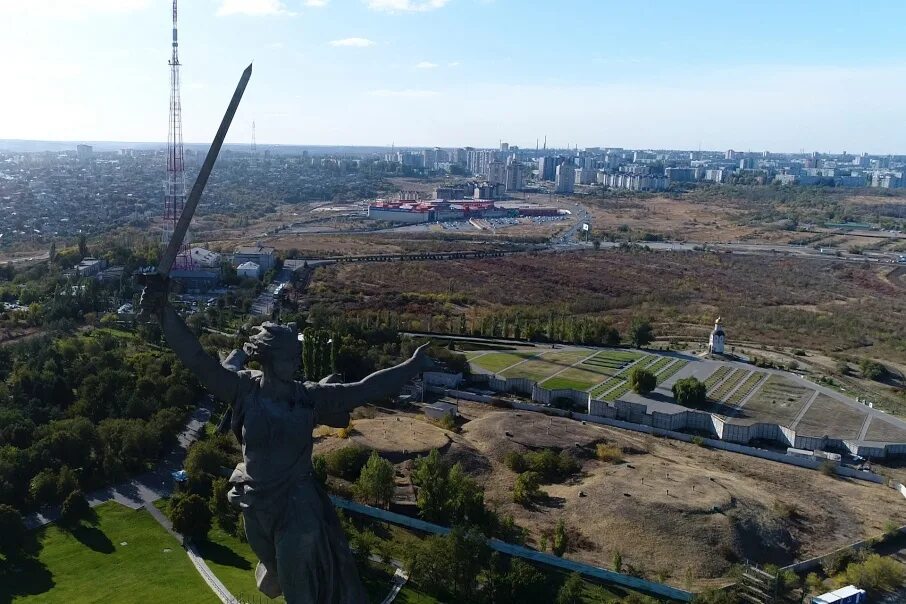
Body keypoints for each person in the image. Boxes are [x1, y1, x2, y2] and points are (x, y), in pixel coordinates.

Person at [140, 276, 433, 603]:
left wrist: (412, 365)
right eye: (290, 357)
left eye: (297, 356)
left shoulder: (309, 397)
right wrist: (163, 311)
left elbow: (363, 389)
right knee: (276, 575)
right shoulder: (243, 391)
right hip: (256, 503)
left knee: (299, 593)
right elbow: (197, 360)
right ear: (267, 358)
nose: (296, 362)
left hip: (298, 505)